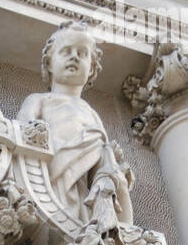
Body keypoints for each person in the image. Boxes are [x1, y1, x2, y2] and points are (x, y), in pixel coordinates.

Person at [19, 21, 133, 232]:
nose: (74, 57)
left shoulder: (91, 113)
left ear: (92, 69)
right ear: (49, 63)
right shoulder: (39, 100)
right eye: (66, 51)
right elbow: (23, 132)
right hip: (50, 174)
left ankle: (117, 229)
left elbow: (100, 152)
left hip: (83, 186)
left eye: (82, 53)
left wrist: (110, 157)